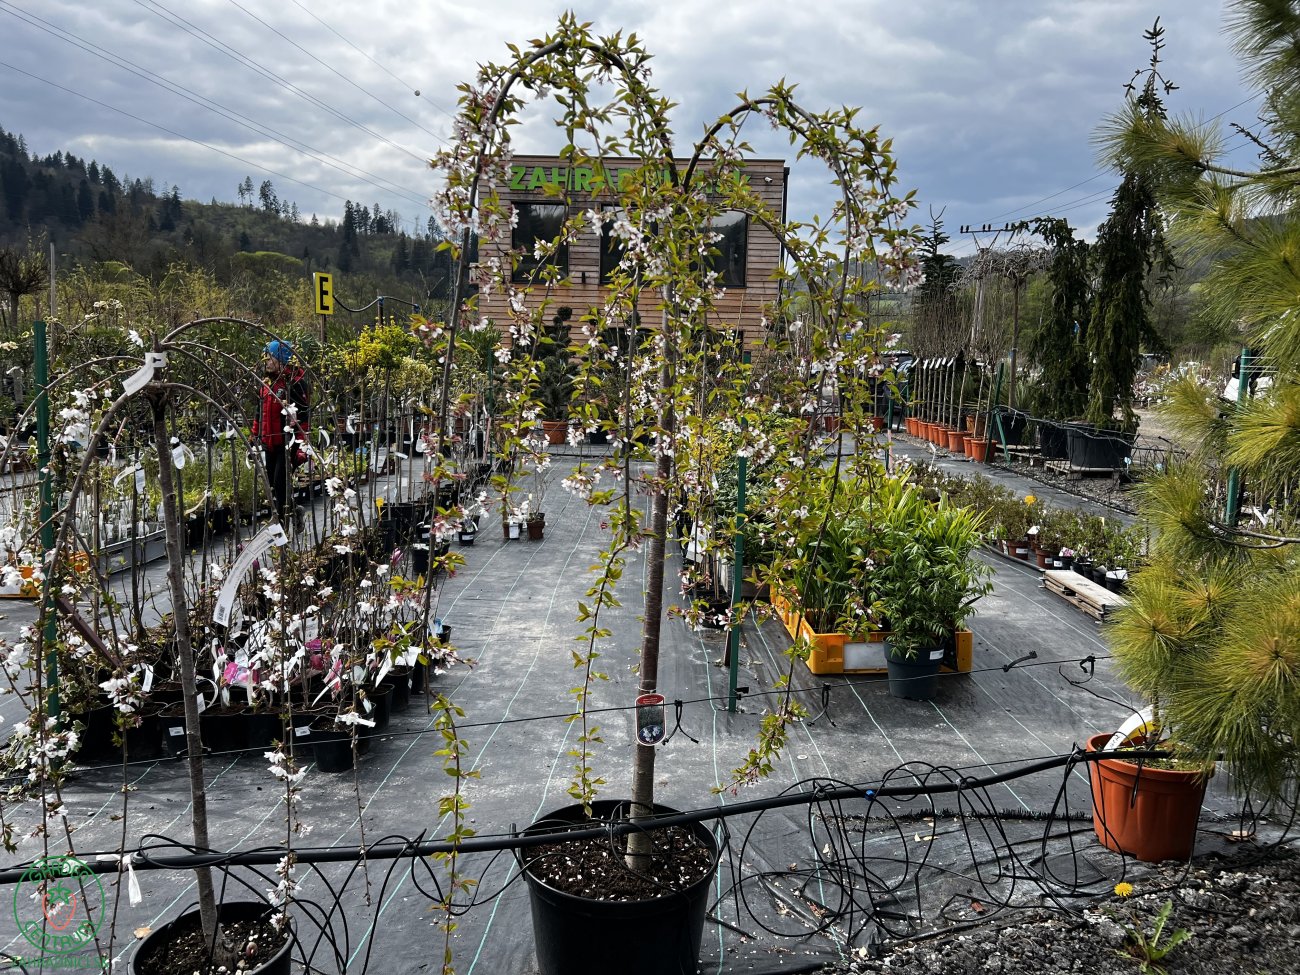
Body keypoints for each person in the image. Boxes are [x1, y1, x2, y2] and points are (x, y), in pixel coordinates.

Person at [251, 339, 310, 525]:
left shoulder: (295, 383)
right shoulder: (266, 384)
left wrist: (302, 446)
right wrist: (254, 436)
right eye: (266, 359)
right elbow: (259, 412)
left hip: (287, 442)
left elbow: (303, 417)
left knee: (280, 481)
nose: (266, 362)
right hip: (269, 442)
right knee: (273, 484)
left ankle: (281, 525)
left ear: (282, 359)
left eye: (270, 358)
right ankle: (294, 509)